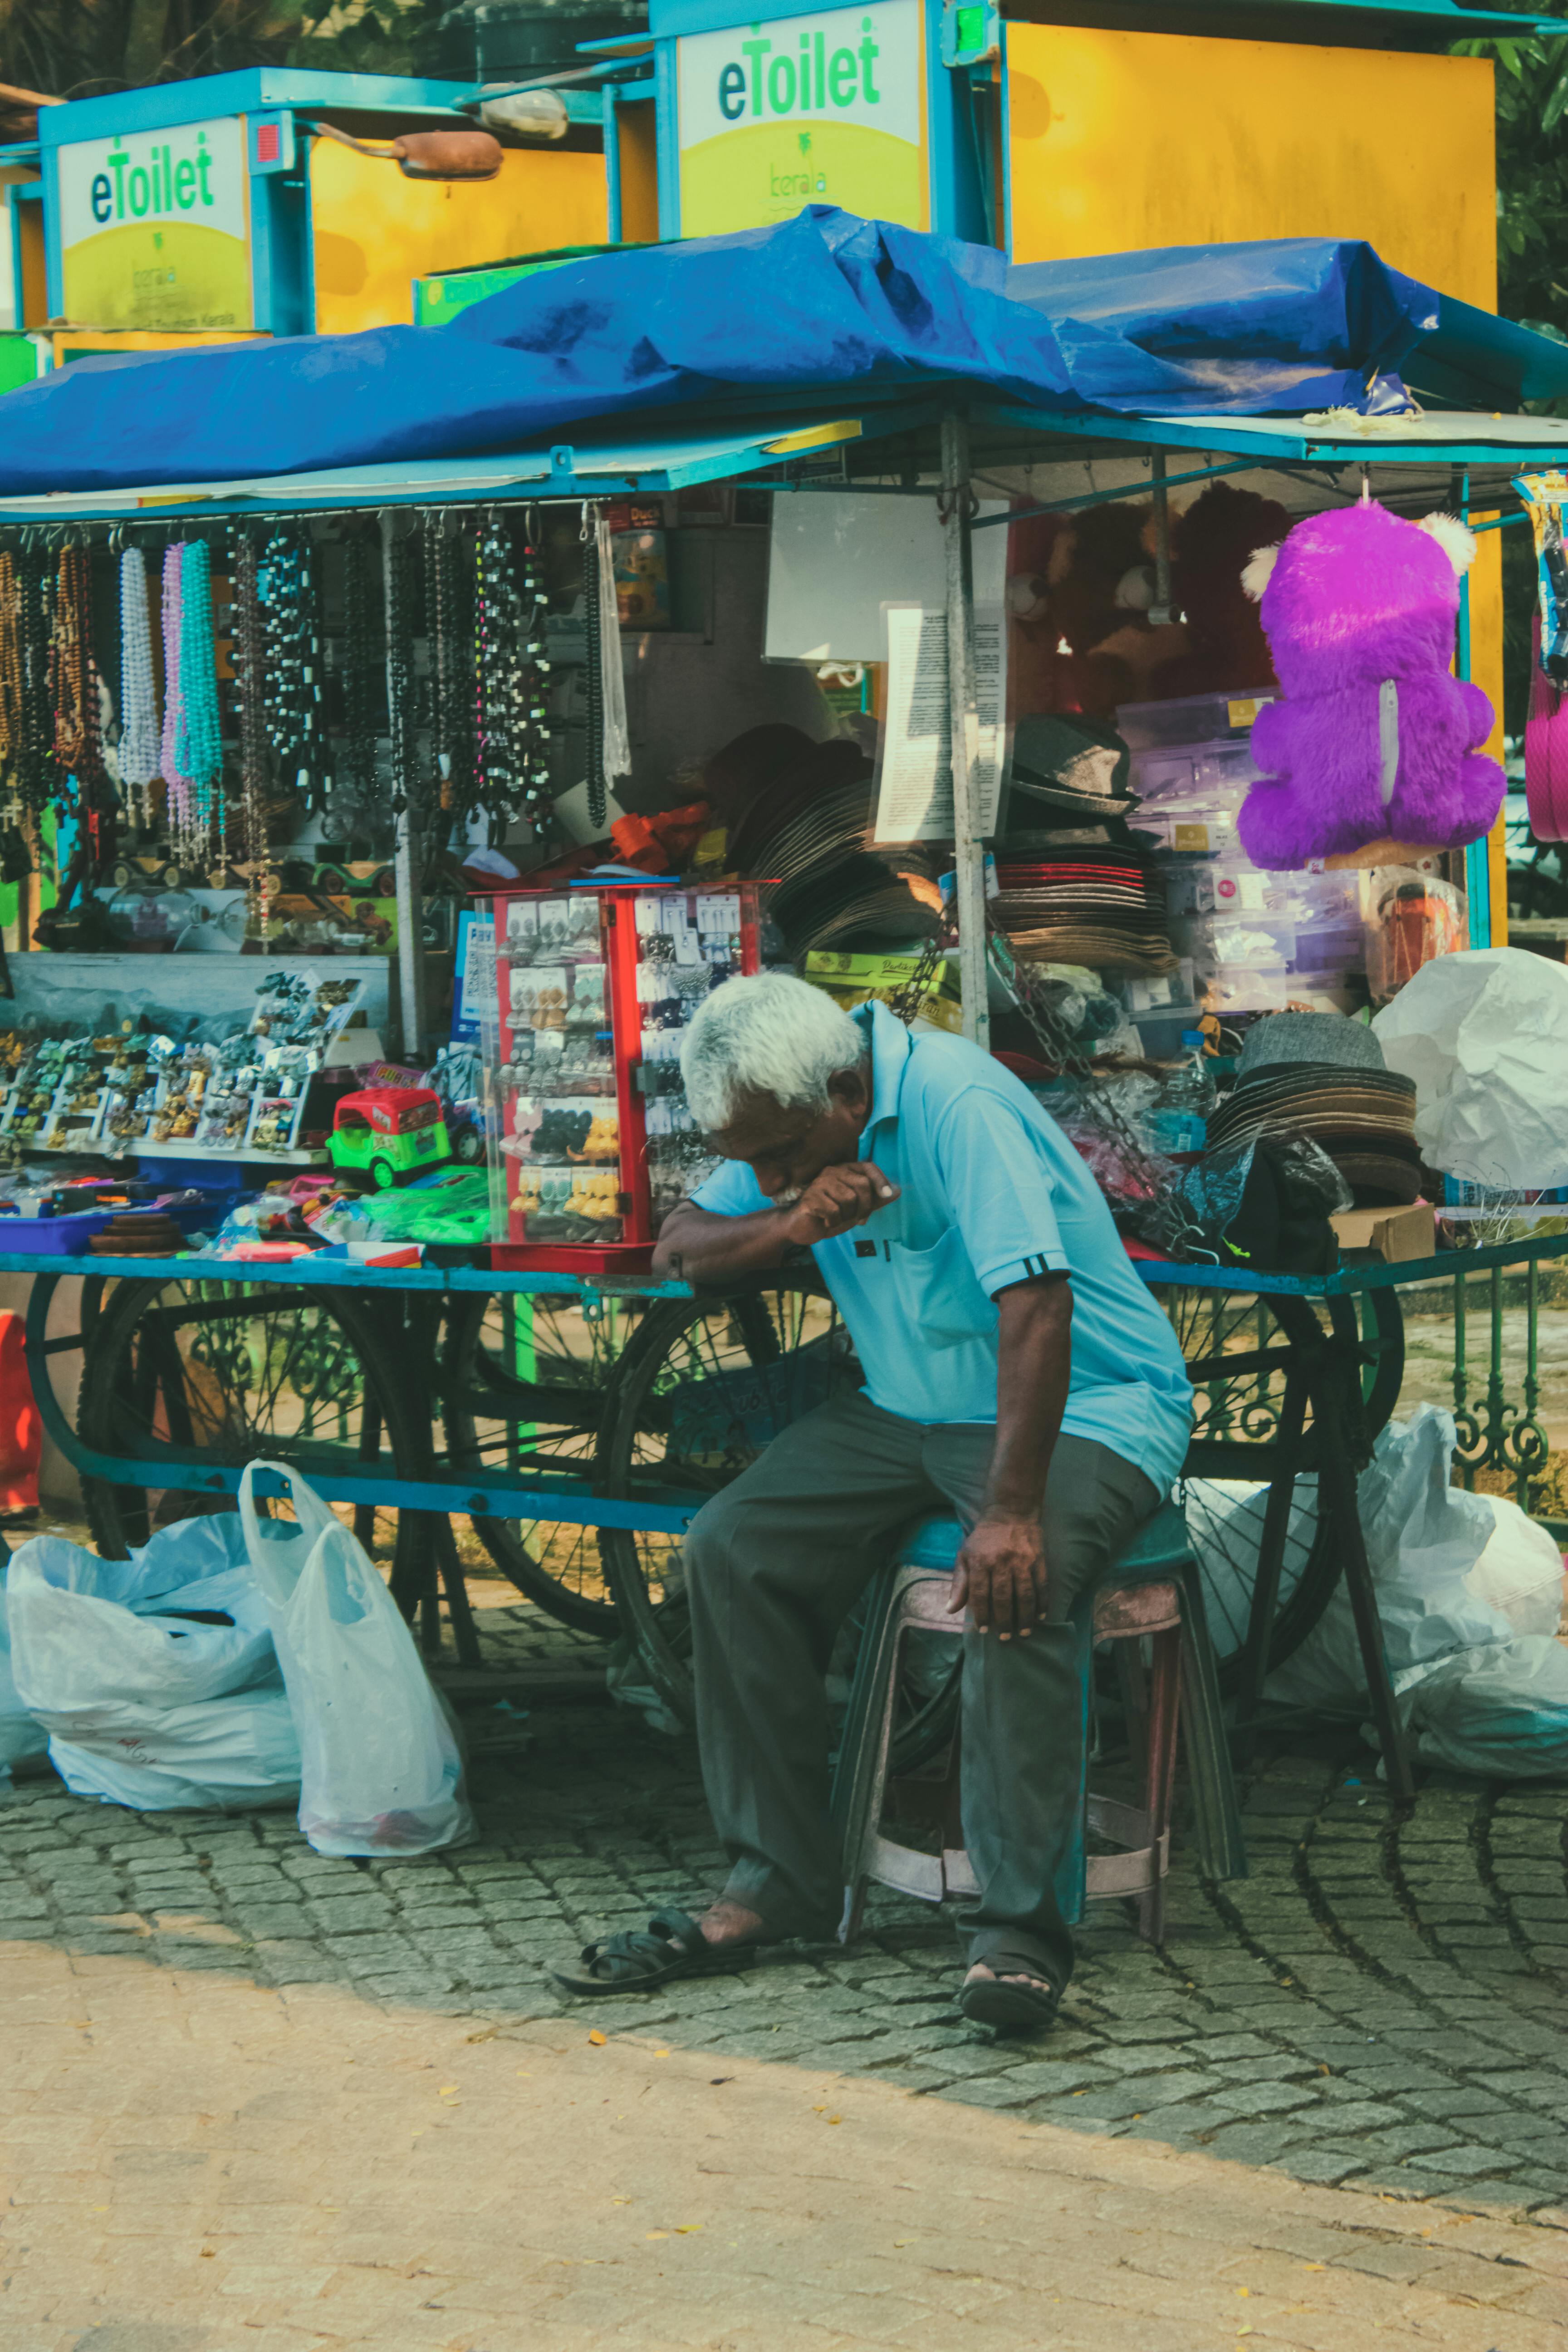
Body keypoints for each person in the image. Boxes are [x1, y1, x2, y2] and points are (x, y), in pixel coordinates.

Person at [551, 973, 1193, 2029]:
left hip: (1089, 1406)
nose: (763, 1175)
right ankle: (776, 1881)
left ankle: (1019, 1930)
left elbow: (1037, 1309)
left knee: (1014, 1581)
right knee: (730, 1547)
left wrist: (1014, 1511)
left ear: (850, 1089)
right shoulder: (790, 1104)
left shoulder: (957, 1105)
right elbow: (681, 1247)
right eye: (751, 1160)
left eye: (782, 1158)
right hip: (908, 1408)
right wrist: (790, 1223)